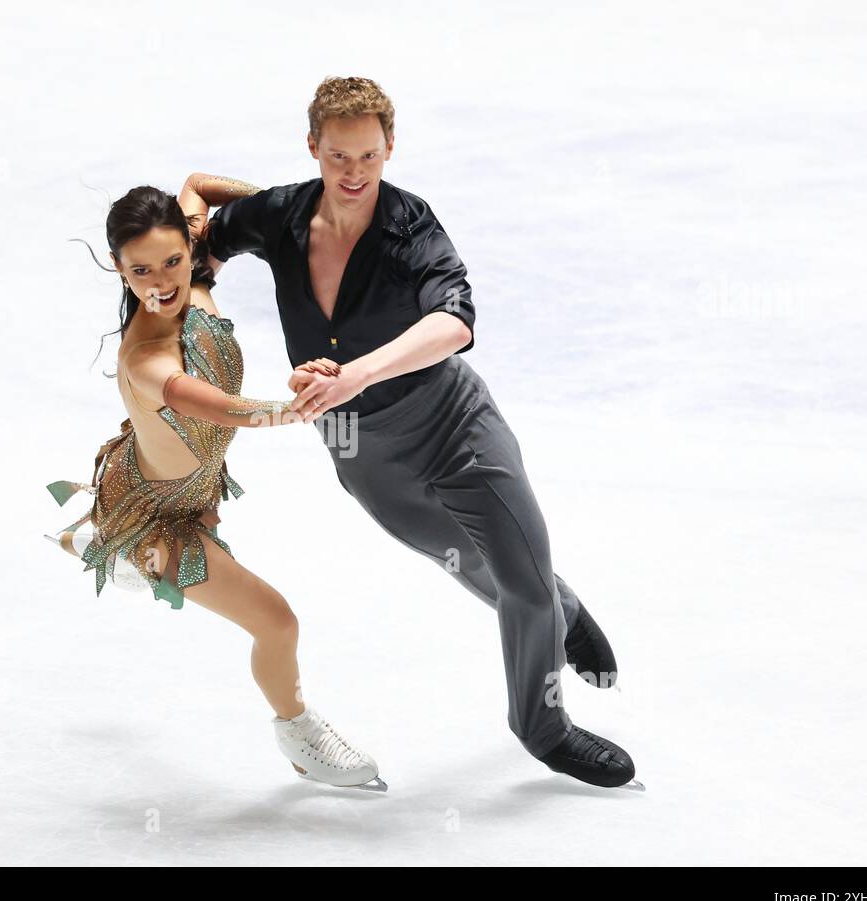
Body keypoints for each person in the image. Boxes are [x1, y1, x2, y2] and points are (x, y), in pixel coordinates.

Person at [194, 76, 642, 790]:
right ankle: (564, 613)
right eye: (339, 156)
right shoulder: (279, 215)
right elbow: (201, 236)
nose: (355, 172)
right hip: (358, 449)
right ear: (313, 147)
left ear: (390, 148)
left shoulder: (410, 226)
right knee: (472, 566)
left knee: (520, 580)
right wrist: (196, 291)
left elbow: (455, 322)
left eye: (369, 155)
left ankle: (543, 727)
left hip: (452, 422)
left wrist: (354, 374)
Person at [44, 183, 385, 791]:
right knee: (278, 624)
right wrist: (296, 405)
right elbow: (221, 408)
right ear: (119, 271)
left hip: (182, 484)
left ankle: (96, 535)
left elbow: (198, 184)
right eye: (140, 270)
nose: (162, 281)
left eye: (172, 260)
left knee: (143, 557)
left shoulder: (195, 262)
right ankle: (299, 734)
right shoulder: (148, 358)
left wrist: (299, 212)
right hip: (160, 516)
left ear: (188, 242)